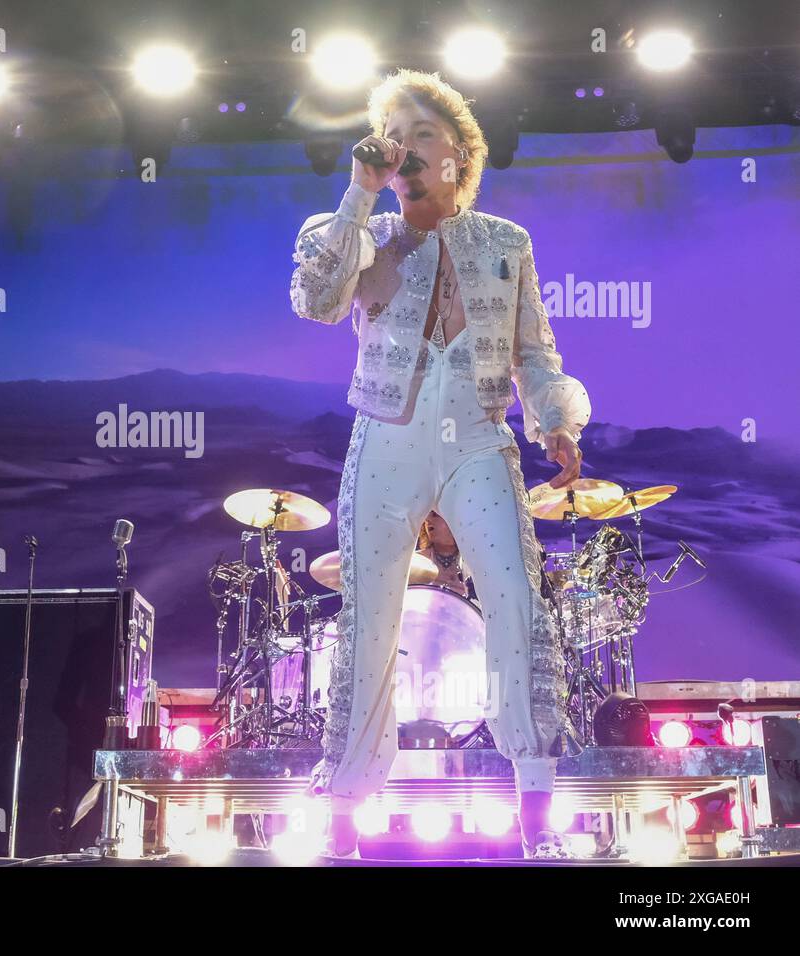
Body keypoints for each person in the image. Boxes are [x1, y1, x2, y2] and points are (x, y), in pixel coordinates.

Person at [290, 69, 590, 858]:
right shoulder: (355, 232)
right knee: (368, 624)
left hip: (481, 436)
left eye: (418, 134)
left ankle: (535, 810)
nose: (402, 148)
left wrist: (556, 421)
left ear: (458, 153)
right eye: (391, 134)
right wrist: (360, 193)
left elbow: (535, 353)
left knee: (517, 600)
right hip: (387, 438)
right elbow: (318, 301)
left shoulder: (506, 243)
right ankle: (346, 815)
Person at [418, 511, 469, 598]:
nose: (427, 520)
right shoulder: (417, 561)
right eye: (426, 516)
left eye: (435, 515)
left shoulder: (472, 561)